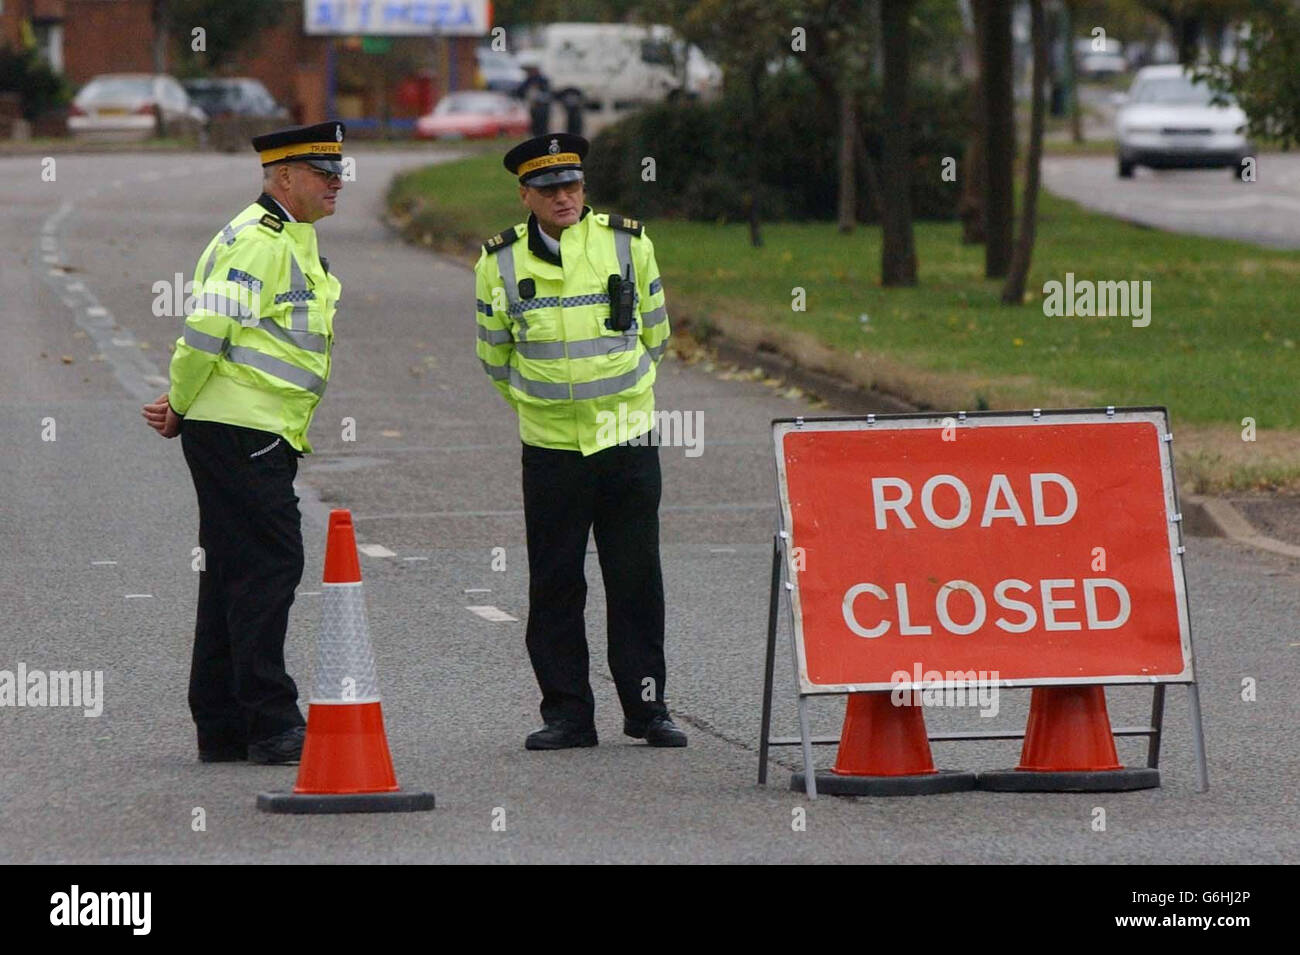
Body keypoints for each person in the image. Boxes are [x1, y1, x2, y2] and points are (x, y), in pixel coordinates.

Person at [141, 121, 345, 765]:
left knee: (232, 569)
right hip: (241, 428)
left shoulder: (291, 235)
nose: (337, 182)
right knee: (269, 565)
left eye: (339, 170)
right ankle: (271, 721)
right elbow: (205, 329)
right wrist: (180, 399)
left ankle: (225, 724)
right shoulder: (259, 241)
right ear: (284, 177)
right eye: (322, 172)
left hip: (253, 428)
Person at [474, 133, 687, 750]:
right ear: (525, 196)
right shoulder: (499, 263)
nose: (563, 197)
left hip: (626, 440)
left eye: (571, 185)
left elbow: (656, 334)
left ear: (583, 188)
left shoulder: (628, 243)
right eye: (547, 189)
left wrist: (616, 400)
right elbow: (494, 358)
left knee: (636, 580)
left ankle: (649, 710)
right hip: (550, 449)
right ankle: (568, 715)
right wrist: (547, 407)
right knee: (555, 582)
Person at [515, 54, 552, 137]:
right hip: (534, 108)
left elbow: (548, 95)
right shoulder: (529, 80)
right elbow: (519, 92)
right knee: (534, 128)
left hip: (542, 109)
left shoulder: (543, 80)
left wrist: (538, 96)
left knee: (542, 129)